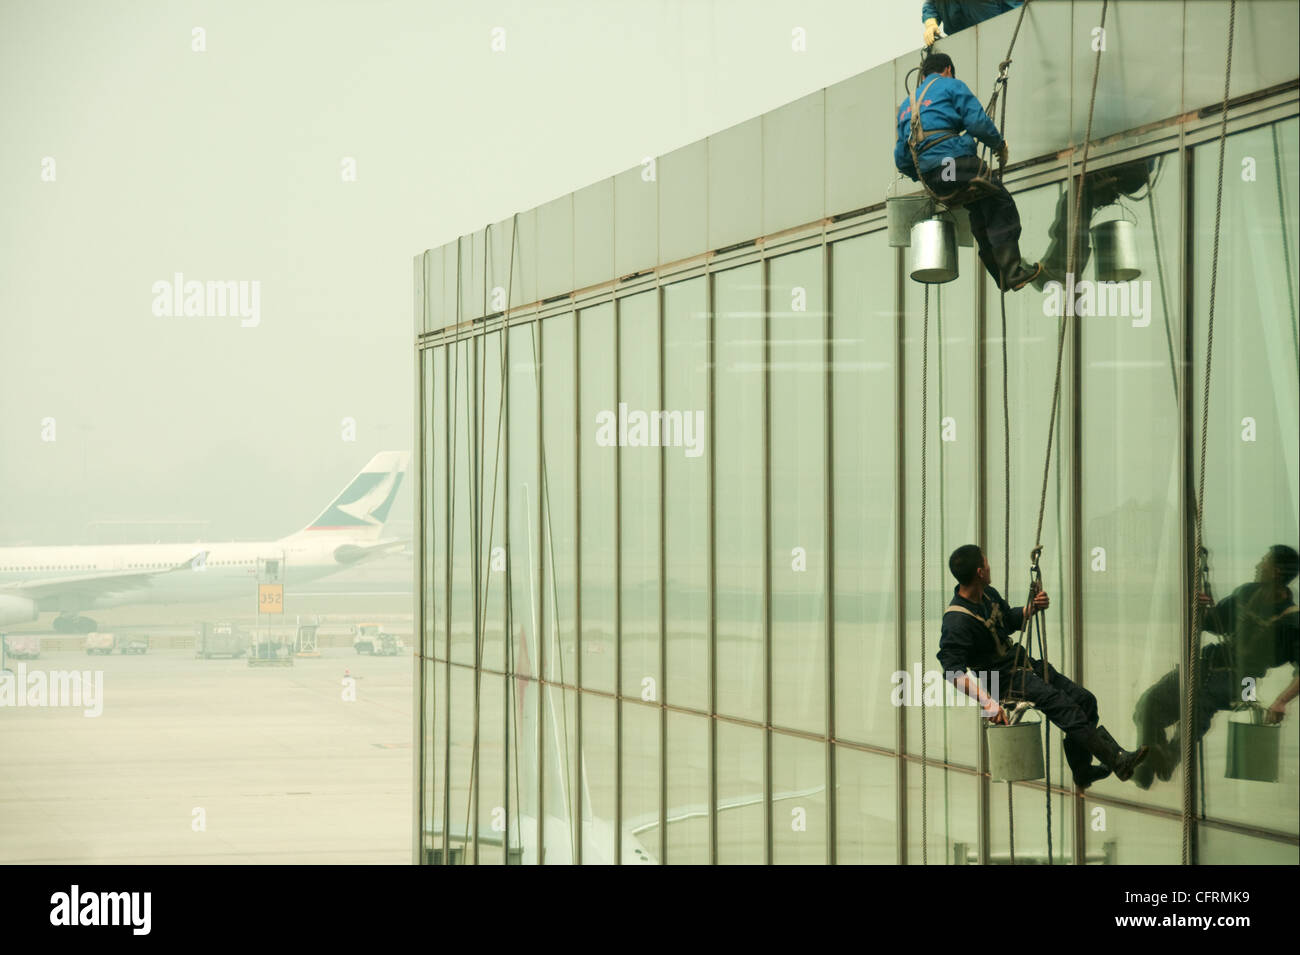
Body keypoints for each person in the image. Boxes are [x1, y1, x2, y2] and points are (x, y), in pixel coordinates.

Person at [938, 544, 1149, 788]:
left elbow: (1005, 620)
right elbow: (953, 671)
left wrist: (1031, 609)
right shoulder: (956, 620)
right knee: (1066, 709)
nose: (989, 567)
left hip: (1023, 666)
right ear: (979, 572)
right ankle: (1118, 760)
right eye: (986, 564)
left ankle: (1082, 771)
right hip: (1006, 681)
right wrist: (987, 701)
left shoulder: (988, 595)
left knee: (1085, 701)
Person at [1132, 545, 1300, 789]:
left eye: (1263, 561)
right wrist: (1200, 609)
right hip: (1211, 664)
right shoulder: (1248, 593)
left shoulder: (1291, 619)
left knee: (1200, 704)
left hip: (1247, 682)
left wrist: (1281, 701)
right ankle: (1148, 766)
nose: (1257, 565)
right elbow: (1216, 623)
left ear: (1274, 571)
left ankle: (1168, 757)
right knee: (1148, 705)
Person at [894, 53, 1042, 292]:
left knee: (980, 208)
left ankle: (1002, 276)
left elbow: (901, 158)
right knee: (1000, 201)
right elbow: (977, 122)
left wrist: (926, 171)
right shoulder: (951, 85)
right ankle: (1013, 271)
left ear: (922, 76)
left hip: (935, 179)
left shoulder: (906, 106)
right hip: (954, 166)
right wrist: (999, 145)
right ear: (948, 69)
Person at [922, 1, 1025, 46]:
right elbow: (930, 5)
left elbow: (1018, 6)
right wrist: (931, 24)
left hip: (1000, 39)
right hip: (960, 45)